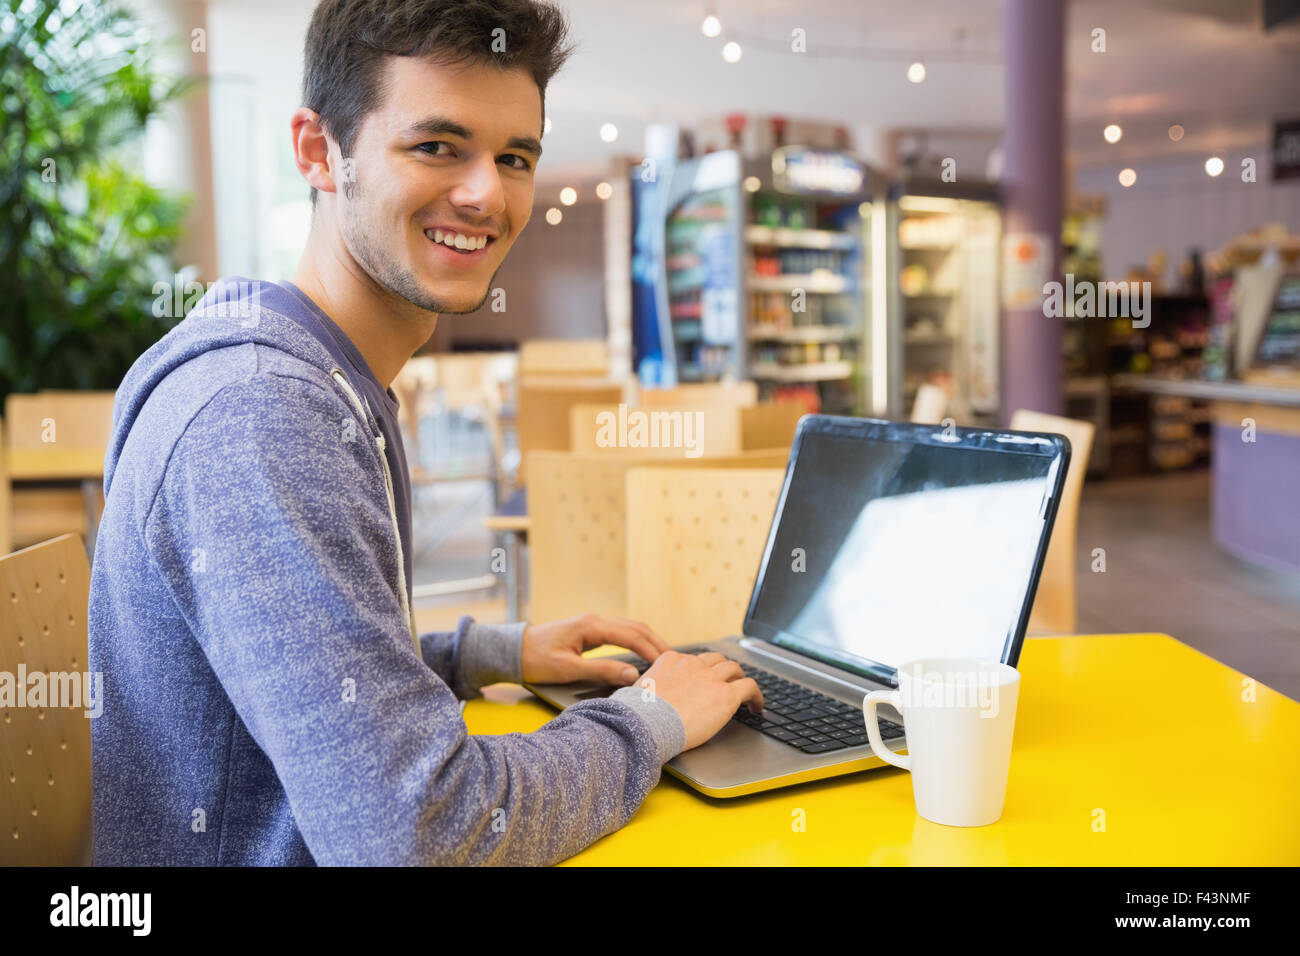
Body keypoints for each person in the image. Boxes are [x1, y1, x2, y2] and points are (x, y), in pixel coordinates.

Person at [88, 0, 761, 866]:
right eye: (437, 146)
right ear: (318, 151)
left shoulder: (304, 377)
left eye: (514, 156)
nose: (486, 193)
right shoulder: (263, 417)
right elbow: (414, 834)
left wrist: (490, 653)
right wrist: (649, 719)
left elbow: (308, 676)